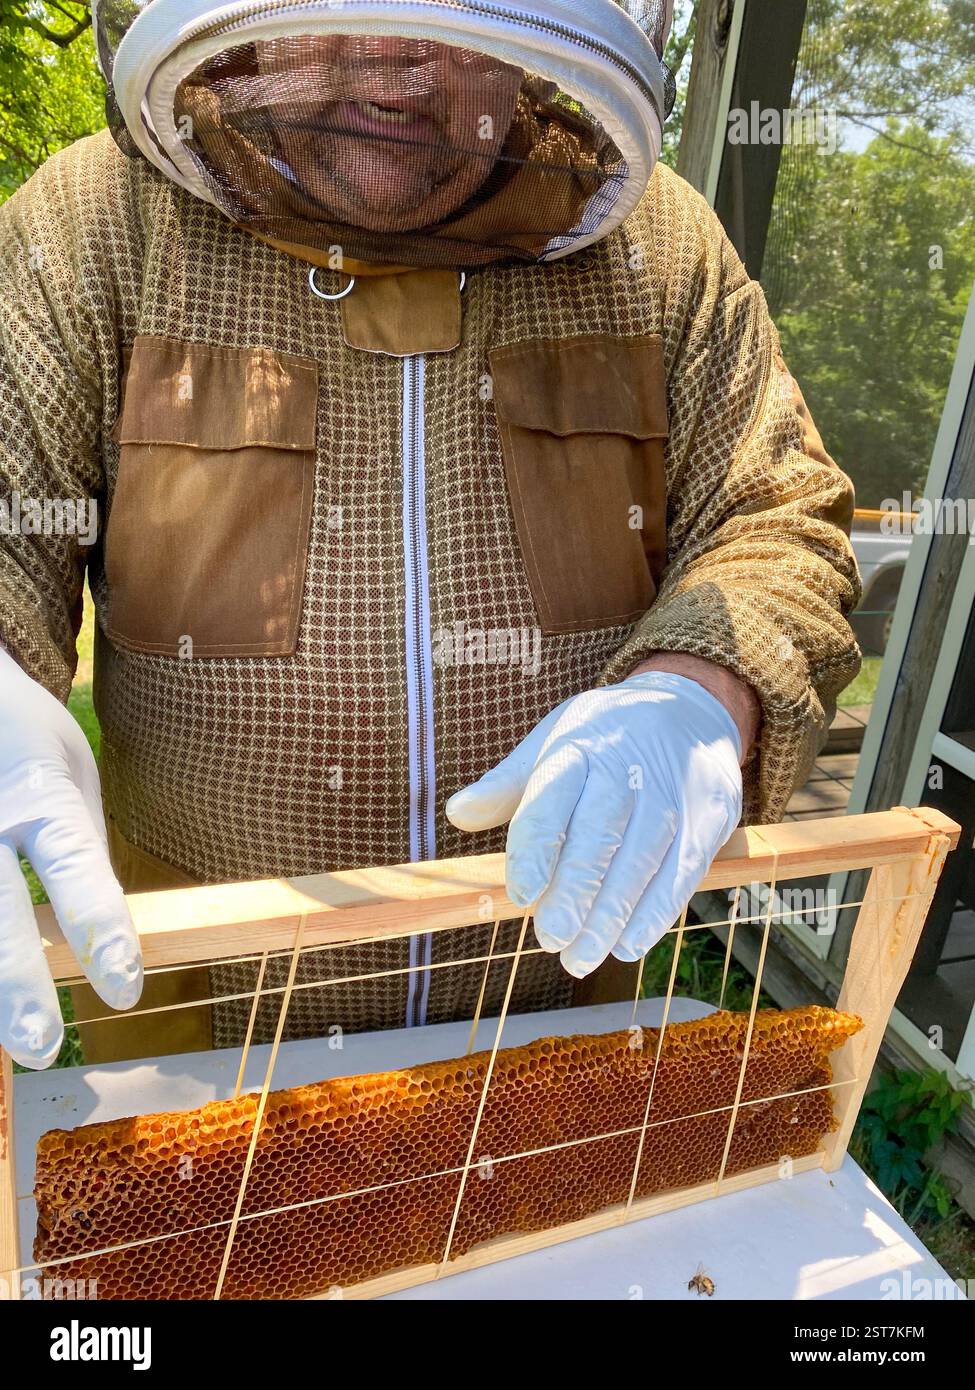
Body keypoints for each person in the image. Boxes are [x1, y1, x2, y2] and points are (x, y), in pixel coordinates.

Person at [0, 0, 860, 1070]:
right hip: (199, 1029)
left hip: (560, 1008)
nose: (401, 52)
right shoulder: (95, 223)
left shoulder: (661, 246)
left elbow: (774, 511)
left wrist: (697, 689)